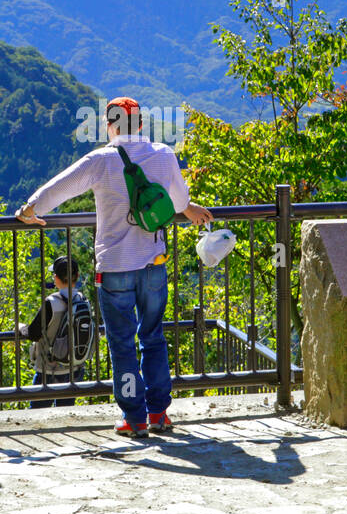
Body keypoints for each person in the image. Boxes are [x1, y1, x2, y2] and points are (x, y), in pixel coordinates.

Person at [16, 96, 212, 437]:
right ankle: (159, 414)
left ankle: (133, 418)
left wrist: (29, 209)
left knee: (122, 344)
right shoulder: (164, 155)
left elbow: (59, 188)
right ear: (140, 124)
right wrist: (191, 206)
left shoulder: (101, 160)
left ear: (109, 125)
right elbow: (179, 203)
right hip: (153, 264)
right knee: (152, 338)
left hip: (115, 269)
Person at [20, 255, 89, 409]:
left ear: (56, 278)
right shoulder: (83, 300)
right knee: (65, 411)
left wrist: (20, 327)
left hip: (48, 370)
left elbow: (33, 333)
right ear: (77, 276)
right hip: (75, 368)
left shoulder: (51, 303)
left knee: (37, 412)